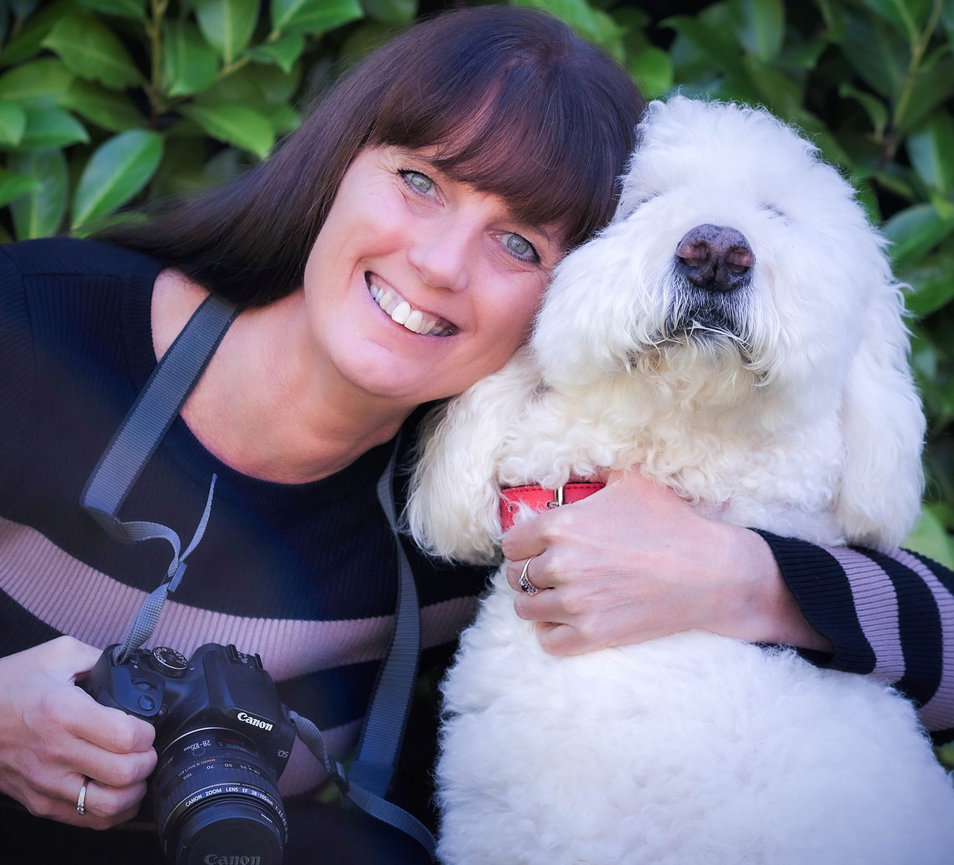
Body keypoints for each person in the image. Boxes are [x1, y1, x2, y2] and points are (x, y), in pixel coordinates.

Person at [0, 4, 950, 864]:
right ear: (337, 160)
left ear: (562, 301)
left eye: (519, 244)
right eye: (420, 181)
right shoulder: (40, 332)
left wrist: (742, 578)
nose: (440, 263)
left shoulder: (493, 505)